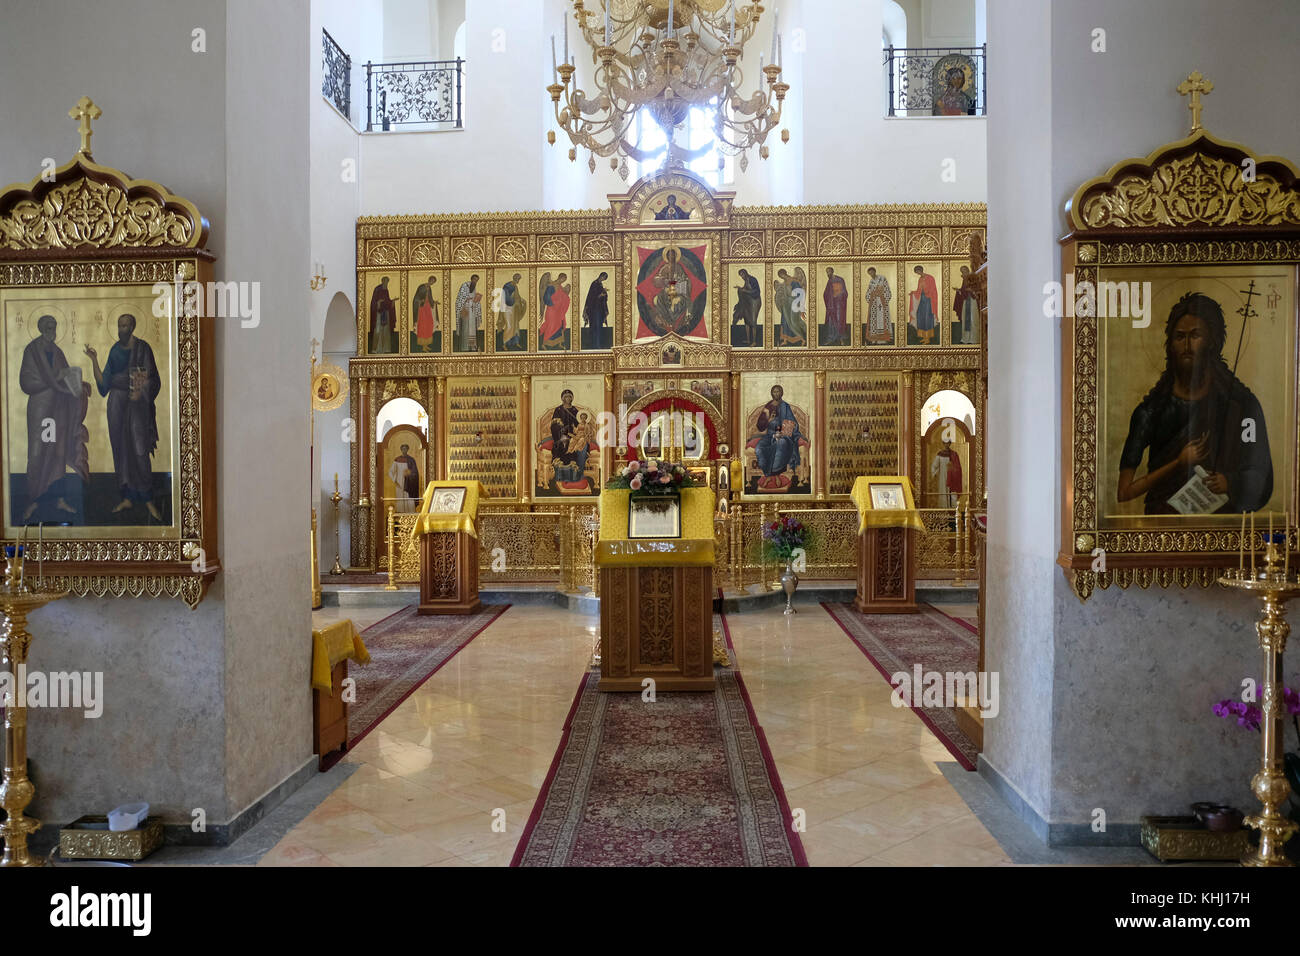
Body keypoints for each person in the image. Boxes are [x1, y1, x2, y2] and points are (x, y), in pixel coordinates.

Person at [1117, 292, 1271, 515]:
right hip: (1162, 528)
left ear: (1212, 342)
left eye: (1195, 335)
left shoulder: (1240, 404)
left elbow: (1260, 474)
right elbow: (1124, 492)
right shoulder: (1151, 411)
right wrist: (1179, 462)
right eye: (1180, 337)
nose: (1187, 345)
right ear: (1170, 345)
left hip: (1223, 529)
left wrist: (1230, 482)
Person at [84, 313, 162, 520]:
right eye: (119, 325)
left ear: (133, 327)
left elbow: (154, 379)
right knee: (120, 448)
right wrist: (94, 360)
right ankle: (127, 496)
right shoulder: (115, 350)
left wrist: (140, 389)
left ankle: (147, 498)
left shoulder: (143, 348)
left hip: (137, 404)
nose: (121, 329)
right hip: (117, 403)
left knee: (139, 449)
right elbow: (103, 385)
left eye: (125, 325)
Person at [19, 315, 89, 520]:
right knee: (37, 453)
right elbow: (26, 381)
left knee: (57, 453)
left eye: (54, 326)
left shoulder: (58, 352)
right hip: (40, 408)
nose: (52, 329)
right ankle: (33, 500)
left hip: (58, 409)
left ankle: (59, 498)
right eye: (48, 326)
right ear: (41, 328)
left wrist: (78, 385)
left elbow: (65, 376)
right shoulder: (32, 350)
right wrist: (53, 379)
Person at [753, 384, 803, 491]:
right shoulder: (768, 407)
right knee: (759, 448)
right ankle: (768, 474)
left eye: (778, 391)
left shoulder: (785, 406)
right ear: (772, 393)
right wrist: (769, 421)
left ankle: (774, 475)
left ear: (782, 393)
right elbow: (760, 426)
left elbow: (793, 422)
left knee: (780, 444)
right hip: (770, 435)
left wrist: (784, 433)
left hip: (784, 436)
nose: (776, 393)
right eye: (774, 392)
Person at [775, 268, 807, 346]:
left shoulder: (794, 281)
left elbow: (800, 293)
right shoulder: (784, 283)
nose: (781, 277)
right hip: (786, 305)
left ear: (784, 273)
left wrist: (800, 306)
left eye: (782, 275)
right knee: (784, 322)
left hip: (794, 304)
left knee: (793, 322)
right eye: (780, 277)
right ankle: (785, 340)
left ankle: (802, 339)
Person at [539, 272, 570, 350]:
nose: (563, 281)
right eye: (563, 279)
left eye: (564, 280)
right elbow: (546, 297)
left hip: (558, 311)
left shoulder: (560, 287)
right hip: (552, 310)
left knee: (559, 326)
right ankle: (544, 344)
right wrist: (554, 304)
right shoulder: (551, 286)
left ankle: (559, 343)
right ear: (561, 277)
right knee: (550, 326)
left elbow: (563, 296)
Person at [388, 443, 421, 513]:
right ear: (401, 450)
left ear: (407, 450)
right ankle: (400, 515)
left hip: (409, 483)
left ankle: (411, 515)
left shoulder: (411, 460)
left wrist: (410, 473)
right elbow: (391, 472)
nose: (404, 450)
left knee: (409, 499)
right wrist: (395, 480)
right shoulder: (397, 460)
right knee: (400, 499)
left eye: (405, 449)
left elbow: (415, 473)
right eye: (403, 449)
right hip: (399, 483)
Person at [931, 438, 963, 508]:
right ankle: (943, 510)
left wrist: (952, 467)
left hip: (953, 478)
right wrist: (935, 473)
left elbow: (958, 467)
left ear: (950, 444)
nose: (946, 445)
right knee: (943, 493)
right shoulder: (940, 454)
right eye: (945, 443)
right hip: (943, 477)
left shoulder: (954, 454)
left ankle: (954, 511)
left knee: (952, 494)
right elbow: (934, 466)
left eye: (948, 443)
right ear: (943, 444)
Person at [909, 265, 938, 344]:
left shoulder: (930, 277)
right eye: (916, 272)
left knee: (927, 317)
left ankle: (928, 338)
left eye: (918, 271)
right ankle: (923, 336)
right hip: (922, 300)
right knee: (920, 316)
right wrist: (913, 293)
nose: (917, 273)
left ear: (921, 270)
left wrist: (927, 291)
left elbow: (933, 289)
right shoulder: (920, 279)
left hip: (929, 300)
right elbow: (919, 290)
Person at [733, 267, 762, 346]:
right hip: (749, 302)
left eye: (742, 275)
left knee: (752, 321)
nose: (742, 277)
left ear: (745, 273)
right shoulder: (746, 281)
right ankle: (749, 340)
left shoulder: (752, 279)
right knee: (747, 320)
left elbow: (757, 292)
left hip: (755, 301)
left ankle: (754, 342)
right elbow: (745, 290)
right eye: (740, 276)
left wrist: (744, 290)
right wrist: (740, 288)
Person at [368, 276, 397, 353]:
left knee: (385, 331)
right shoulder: (377, 289)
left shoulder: (386, 290)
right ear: (382, 281)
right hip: (378, 314)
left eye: (387, 282)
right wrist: (378, 303)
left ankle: (386, 349)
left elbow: (387, 301)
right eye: (385, 281)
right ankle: (375, 349)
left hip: (386, 313)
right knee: (378, 330)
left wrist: (392, 301)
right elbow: (373, 302)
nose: (386, 283)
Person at [865, 266, 893, 343]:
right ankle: (875, 338)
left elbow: (887, 289)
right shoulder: (871, 281)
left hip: (882, 301)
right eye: (869, 273)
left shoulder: (882, 278)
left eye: (872, 272)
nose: (871, 274)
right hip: (874, 302)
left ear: (875, 271)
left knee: (882, 318)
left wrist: (882, 295)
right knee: (874, 320)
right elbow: (869, 292)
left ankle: (883, 339)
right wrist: (869, 297)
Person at [455, 274, 482, 352]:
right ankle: (465, 347)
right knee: (466, 329)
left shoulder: (474, 287)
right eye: (474, 279)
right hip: (465, 311)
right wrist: (467, 299)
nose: (475, 282)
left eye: (477, 280)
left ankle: (472, 346)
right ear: (471, 279)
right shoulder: (464, 286)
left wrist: (476, 300)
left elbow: (473, 298)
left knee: (472, 330)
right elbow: (460, 298)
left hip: (472, 311)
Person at [412, 275, 438, 352]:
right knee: (423, 325)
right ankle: (423, 346)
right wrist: (420, 301)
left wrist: (434, 302)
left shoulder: (429, 288)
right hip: (422, 308)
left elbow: (430, 298)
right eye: (432, 281)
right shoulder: (421, 287)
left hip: (428, 307)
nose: (432, 283)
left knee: (429, 324)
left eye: (433, 282)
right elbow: (416, 298)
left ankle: (426, 345)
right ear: (429, 280)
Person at [953, 265, 978, 344]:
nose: (963, 273)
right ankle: (966, 339)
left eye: (964, 271)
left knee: (972, 320)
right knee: (965, 320)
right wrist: (959, 290)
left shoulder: (973, 277)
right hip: (966, 301)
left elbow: (977, 288)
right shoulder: (964, 279)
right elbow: (964, 290)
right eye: (962, 272)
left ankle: (973, 339)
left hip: (972, 301)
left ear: (967, 270)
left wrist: (971, 290)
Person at [583, 271, 609, 348]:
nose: (603, 279)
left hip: (599, 309)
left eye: (604, 279)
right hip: (594, 310)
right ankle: (595, 345)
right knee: (595, 327)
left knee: (599, 327)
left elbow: (602, 298)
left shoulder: (600, 284)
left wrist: (604, 293)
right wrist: (601, 294)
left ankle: (598, 345)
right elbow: (591, 297)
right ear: (601, 276)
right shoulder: (594, 284)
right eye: (603, 278)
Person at [823, 266, 848, 345]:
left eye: (829, 271)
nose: (828, 273)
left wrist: (838, 296)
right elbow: (825, 293)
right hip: (831, 305)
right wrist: (829, 298)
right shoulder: (829, 281)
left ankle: (841, 339)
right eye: (827, 272)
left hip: (839, 305)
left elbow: (844, 292)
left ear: (832, 271)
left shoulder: (839, 280)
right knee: (831, 322)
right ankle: (831, 338)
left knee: (839, 320)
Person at [501, 273, 526, 351]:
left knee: (515, 326)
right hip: (508, 308)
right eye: (518, 279)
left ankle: (515, 342)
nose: (518, 281)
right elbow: (506, 298)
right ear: (515, 278)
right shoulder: (507, 286)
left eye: (519, 279)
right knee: (509, 326)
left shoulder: (515, 286)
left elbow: (517, 297)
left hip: (514, 309)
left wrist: (522, 300)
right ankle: (504, 344)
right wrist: (514, 302)